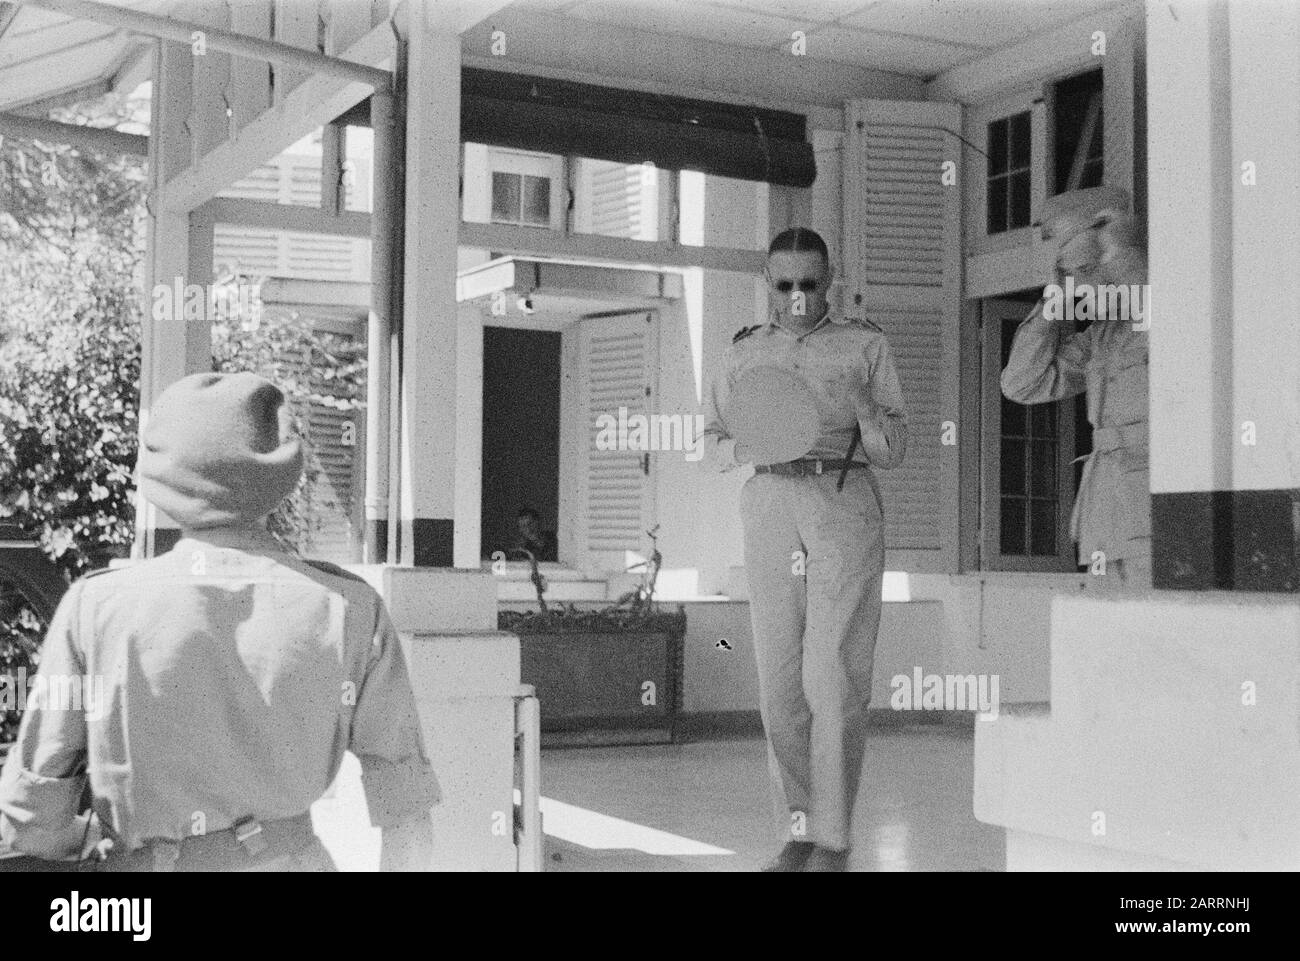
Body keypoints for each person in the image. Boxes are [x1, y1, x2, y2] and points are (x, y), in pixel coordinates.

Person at [0, 372, 441, 871]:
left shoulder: (95, 607)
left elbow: (33, 815)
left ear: (159, 477)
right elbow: (408, 814)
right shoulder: (350, 608)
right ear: (281, 472)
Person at [702, 227, 907, 872]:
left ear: (829, 282)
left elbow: (896, 450)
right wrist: (753, 445)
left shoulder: (865, 347)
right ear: (768, 284)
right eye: (783, 284)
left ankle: (835, 841)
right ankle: (798, 828)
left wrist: (867, 408)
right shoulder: (741, 353)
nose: (796, 297)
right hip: (768, 499)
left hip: (839, 499)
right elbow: (709, 441)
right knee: (779, 684)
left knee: (833, 676)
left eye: (809, 284)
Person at [1001, 186, 1150, 586]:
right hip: (1105, 512)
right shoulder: (1104, 335)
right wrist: (1055, 299)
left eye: (1082, 271)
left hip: (1151, 508)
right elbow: (1022, 384)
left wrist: (1119, 258)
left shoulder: (1167, 313)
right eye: (1069, 275)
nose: (1078, 285)